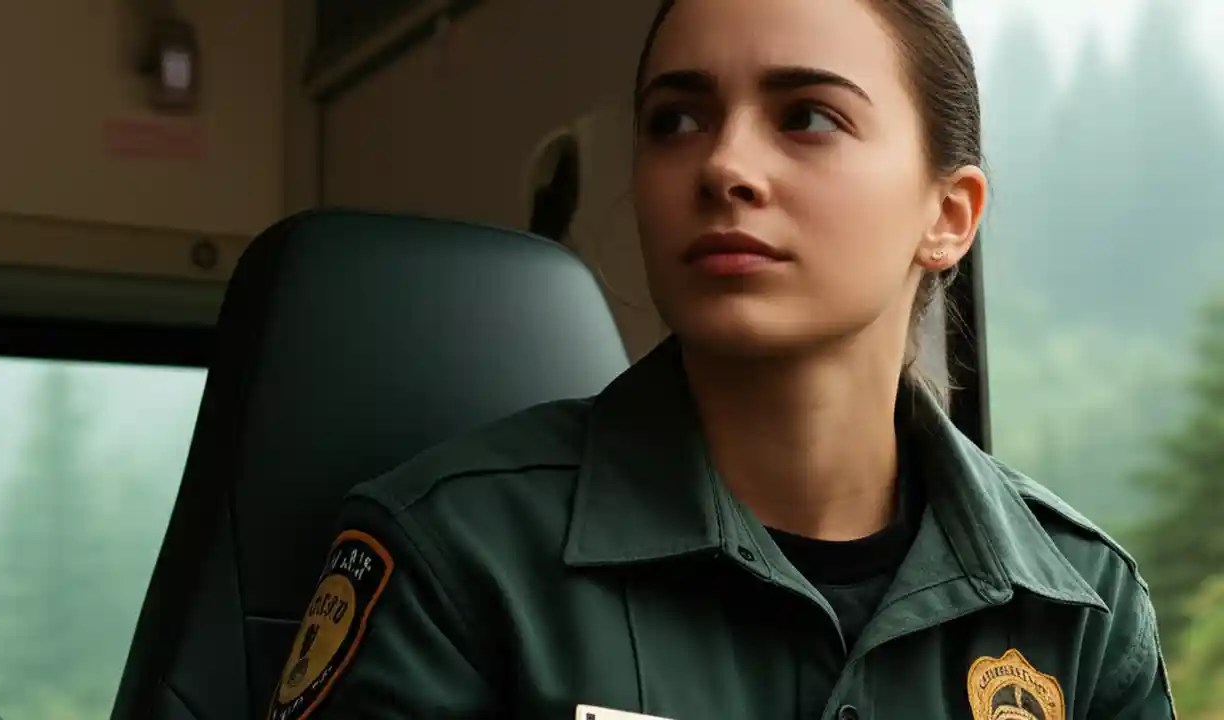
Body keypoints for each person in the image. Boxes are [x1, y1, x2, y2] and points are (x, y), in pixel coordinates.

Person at [266, 0, 1176, 717]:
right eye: (676, 121)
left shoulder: (1079, 608)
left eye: (810, 116)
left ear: (948, 217)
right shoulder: (459, 556)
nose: (725, 165)